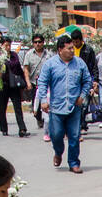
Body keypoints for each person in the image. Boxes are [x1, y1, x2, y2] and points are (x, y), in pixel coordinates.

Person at [37, 37, 92, 175]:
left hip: (74, 106)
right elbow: (42, 82)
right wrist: (43, 100)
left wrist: (82, 95)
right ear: (60, 50)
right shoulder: (50, 64)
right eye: (69, 48)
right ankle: (58, 152)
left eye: (73, 48)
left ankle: (74, 163)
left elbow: (87, 81)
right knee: (56, 135)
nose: (72, 50)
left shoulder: (79, 63)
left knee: (74, 136)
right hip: (56, 107)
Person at [0, 43, 31, 138]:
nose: (8, 47)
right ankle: (4, 128)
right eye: (5, 45)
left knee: (18, 107)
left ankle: (22, 129)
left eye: (9, 45)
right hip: (3, 85)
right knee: (2, 107)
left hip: (14, 84)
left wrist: (23, 81)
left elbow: (19, 68)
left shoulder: (14, 55)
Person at [71, 29, 100, 132]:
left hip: (86, 82)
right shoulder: (70, 50)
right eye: (73, 42)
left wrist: (95, 81)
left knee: (84, 104)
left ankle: (81, 125)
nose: (75, 44)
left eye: (77, 42)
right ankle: (79, 125)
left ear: (81, 40)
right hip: (74, 82)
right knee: (75, 105)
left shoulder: (88, 50)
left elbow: (94, 67)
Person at [21, 33, 48, 133]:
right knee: (35, 104)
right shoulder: (29, 54)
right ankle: (39, 118)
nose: (38, 44)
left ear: (43, 42)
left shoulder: (48, 54)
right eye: (35, 42)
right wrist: (28, 82)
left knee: (45, 101)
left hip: (45, 83)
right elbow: (26, 69)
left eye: (39, 42)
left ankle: (46, 119)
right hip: (33, 83)